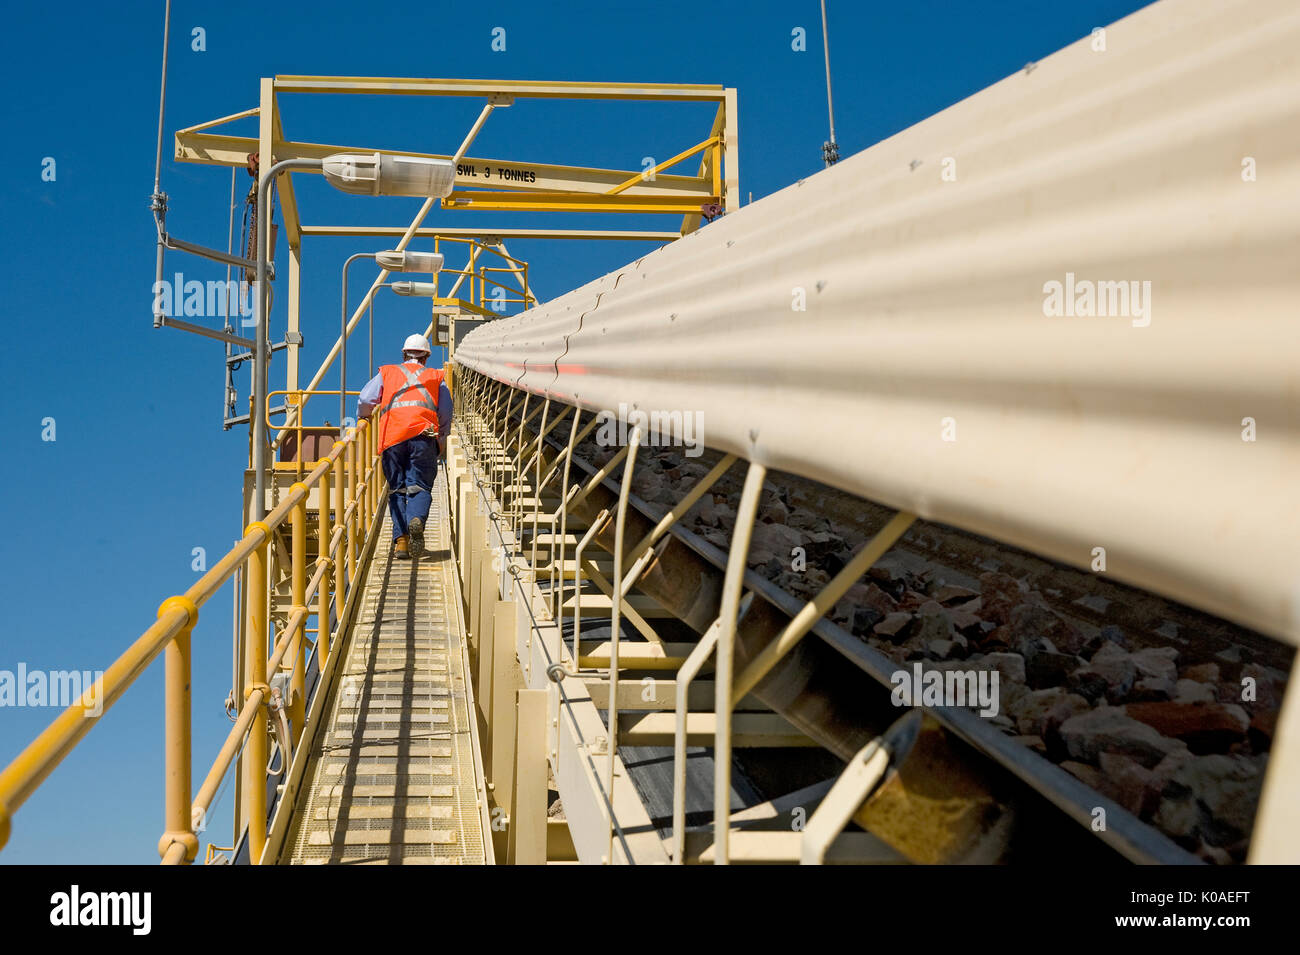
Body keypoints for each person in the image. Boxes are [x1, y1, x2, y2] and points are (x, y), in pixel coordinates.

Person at [357, 334, 453, 559]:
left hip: (392, 438)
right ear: (426, 356)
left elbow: (364, 399)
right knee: (419, 485)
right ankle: (416, 519)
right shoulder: (436, 376)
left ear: (404, 354)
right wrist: (441, 438)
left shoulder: (388, 373)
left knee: (397, 489)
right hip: (424, 436)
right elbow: (446, 411)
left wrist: (363, 417)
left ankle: (401, 543)